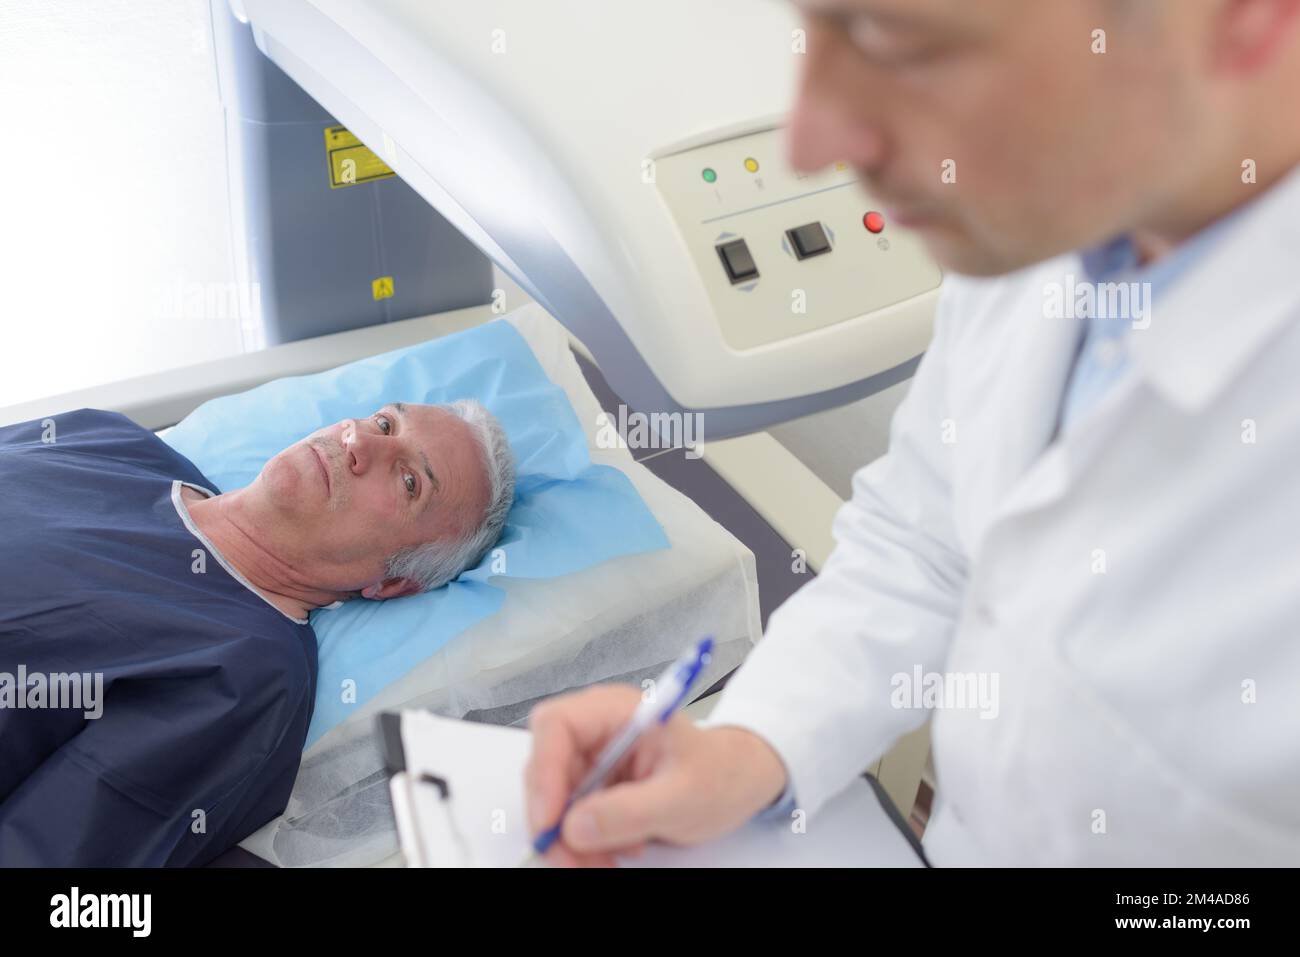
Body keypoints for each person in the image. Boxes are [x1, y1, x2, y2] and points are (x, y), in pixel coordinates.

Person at [525, 0, 1300, 866]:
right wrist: (752, 746)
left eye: (898, 38)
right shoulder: (1051, 220)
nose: (811, 143)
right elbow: (924, 540)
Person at [0, 400, 514, 865]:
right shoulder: (108, 440)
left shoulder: (249, 676)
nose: (359, 443)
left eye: (409, 482)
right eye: (384, 422)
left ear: (393, 583)